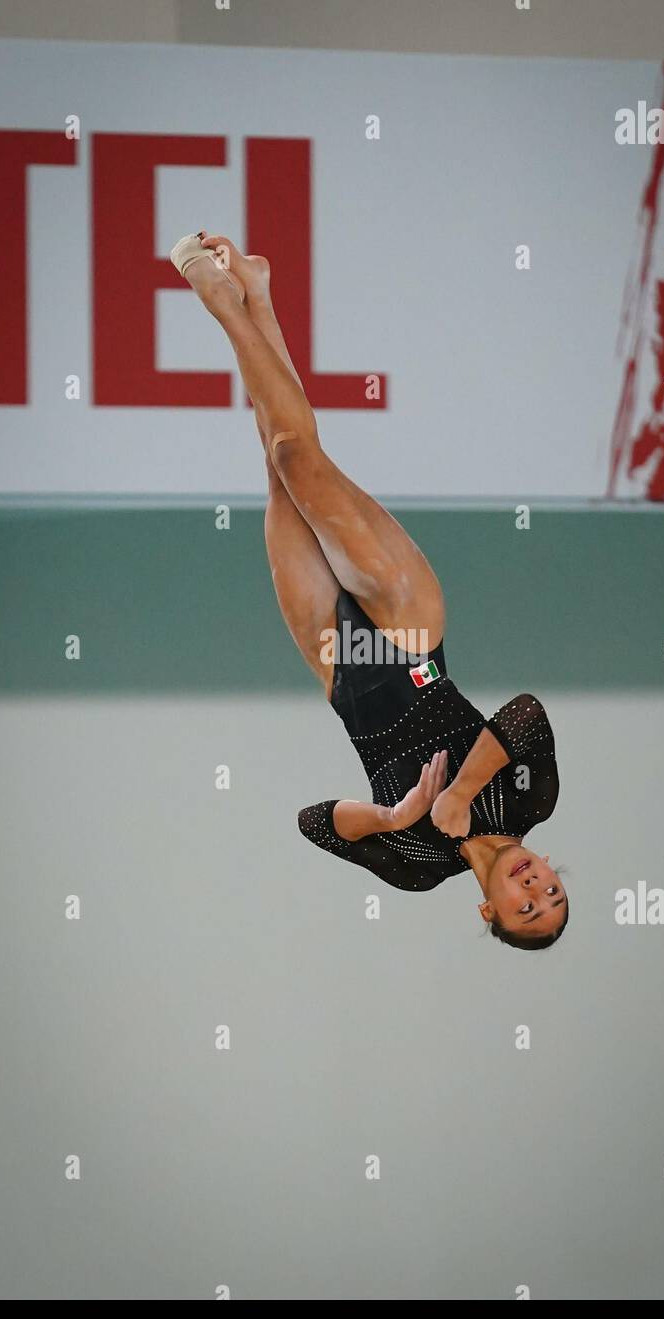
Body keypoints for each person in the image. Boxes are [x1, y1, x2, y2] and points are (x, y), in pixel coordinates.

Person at [171, 232, 567, 948]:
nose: (538, 888)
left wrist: (395, 816)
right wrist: (459, 795)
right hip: (409, 630)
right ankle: (221, 299)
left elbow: (316, 823)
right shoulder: (532, 797)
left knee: (276, 459)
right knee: (298, 455)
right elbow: (527, 715)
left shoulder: (419, 867)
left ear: (489, 913)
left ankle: (256, 293)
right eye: (554, 892)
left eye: (527, 909)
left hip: (340, 668)